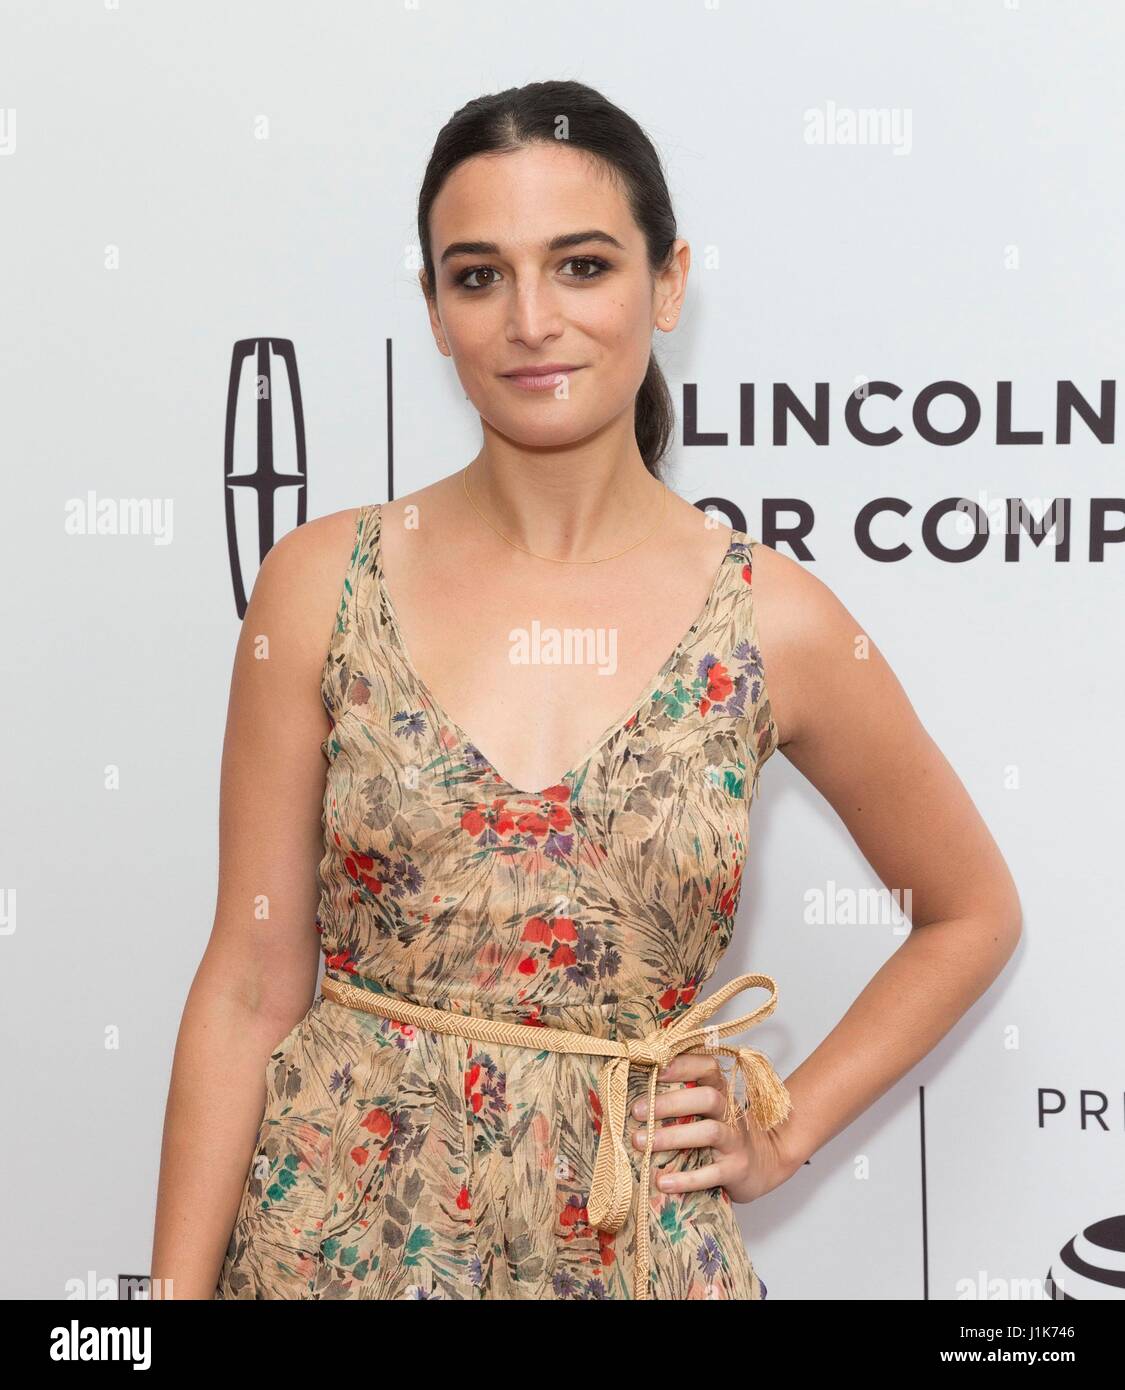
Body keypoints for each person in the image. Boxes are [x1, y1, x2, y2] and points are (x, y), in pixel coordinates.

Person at [151, 79, 1022, 1300]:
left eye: (581, 265)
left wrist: (789, 1125)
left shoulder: (776, 620)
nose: (530, 320)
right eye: (478, 275)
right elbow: (246, 986)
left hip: (632, 1250)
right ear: (435, 311)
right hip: (330, 1250)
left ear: (667, 286)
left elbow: (971, 911)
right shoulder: (318, 585)